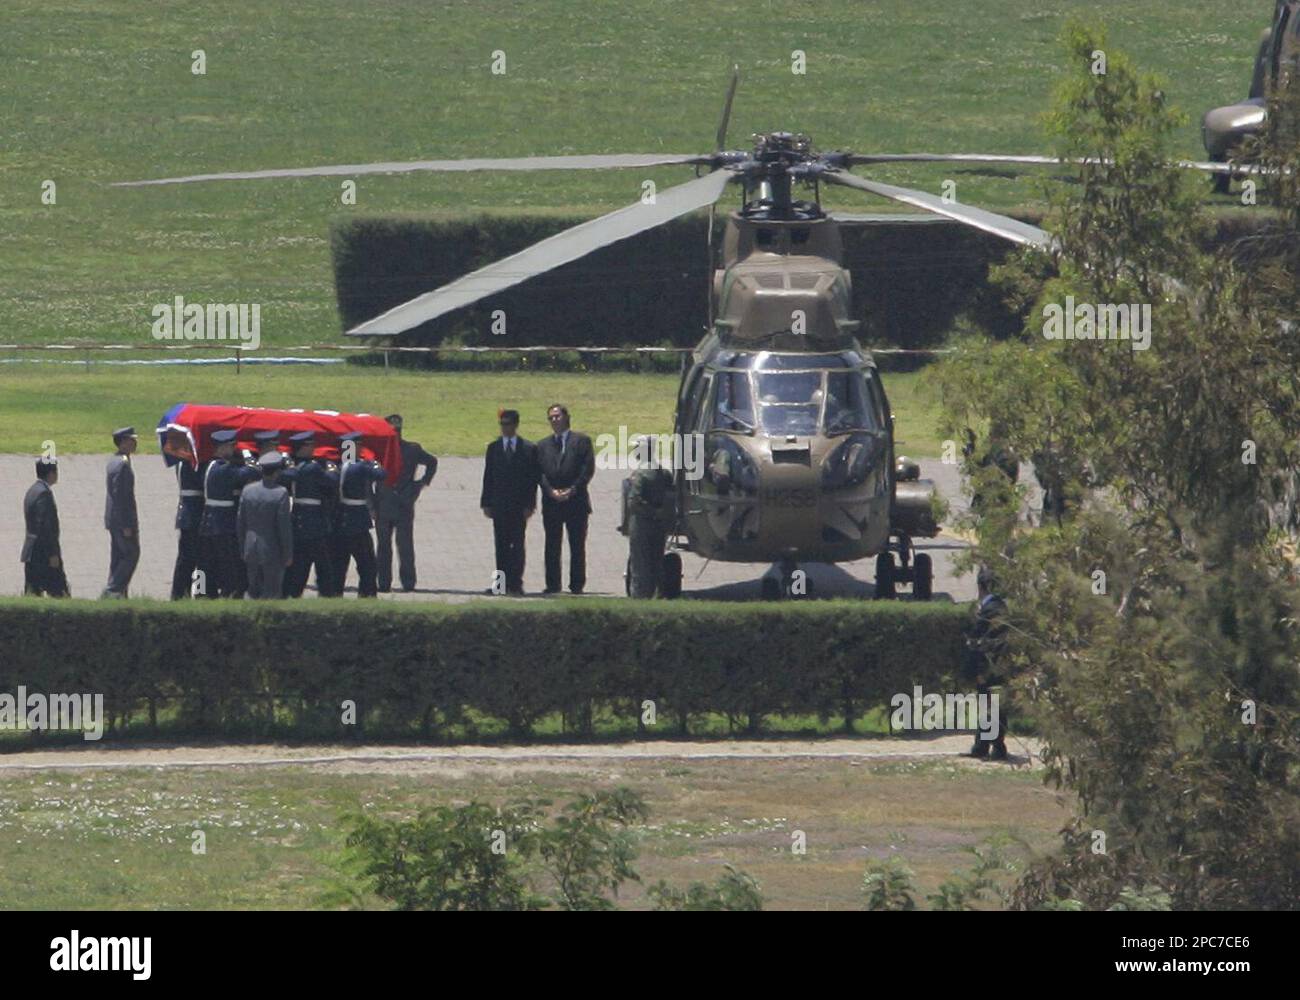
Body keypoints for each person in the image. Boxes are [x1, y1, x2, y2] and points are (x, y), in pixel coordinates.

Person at [374, 414, 438, 593]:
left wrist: (421, 483)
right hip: (383, 504)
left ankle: (408, 583)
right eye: (392, 431)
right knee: (383, 547)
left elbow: (432, 462)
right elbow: (367, 478)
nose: (395, 434)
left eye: (397, 431)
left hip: (404, 504)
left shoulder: (412, 449)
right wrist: (371, 504)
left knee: (405, 546)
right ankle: (383, 583)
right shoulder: (379, 451)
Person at [537, 404, 595, 595]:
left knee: (577, 545)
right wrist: (550, 491)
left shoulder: (582, 441)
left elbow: (587, 470)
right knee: (552, 545)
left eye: (557, 416)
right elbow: (540, 473)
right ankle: (553, 585)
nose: (554, 420)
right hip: (552, 502)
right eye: (551, 418)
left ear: (567, 417)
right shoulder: (543, 445)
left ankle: (576, 585)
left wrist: (572, 490)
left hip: (576, 502)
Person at [480, 409, 538, 595]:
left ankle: (516, 583)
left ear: (515, 425)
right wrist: (486, 502)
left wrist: (530, 505)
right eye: (502, 424)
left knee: (517, 545)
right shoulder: (494, 448)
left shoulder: (528, 449)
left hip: (519, 506)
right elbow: (488, 476)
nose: (504, 428)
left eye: (508, 424)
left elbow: (532, 480)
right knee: (501, 545)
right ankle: (501, 584)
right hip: (499, 505)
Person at [198, 429, 259, 597]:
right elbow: (253, 472)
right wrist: (247, 455)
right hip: (223, 524)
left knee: (205, 563)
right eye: (231, 447)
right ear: (222, 448)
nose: (233, 450)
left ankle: (201, 593)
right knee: (228, 562)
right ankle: (229, 592)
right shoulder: (224, 469)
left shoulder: (210, 466)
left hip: (208, 522)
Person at [282, 431, 340, 598]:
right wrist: (332, 467)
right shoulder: (313, 467)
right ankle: (326, 594)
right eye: (311, 445)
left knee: (299, 564)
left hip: (298, 519)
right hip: (314, 523)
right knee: (323, 564)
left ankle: (291, 593)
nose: (314, 447)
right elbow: (332, 481)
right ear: (304, 447)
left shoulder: (291, 465)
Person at [962, 565, 1010, 761]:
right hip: (999, 666)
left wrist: (977, 669)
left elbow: (984, 642)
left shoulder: (990, 610)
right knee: (990, 706)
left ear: (981, 587)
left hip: (990, 667)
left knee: (991, 706)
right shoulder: (1000, 607)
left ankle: (996, 747)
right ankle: (982, 745)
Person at [332, 431, 386, 597]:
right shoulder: (361, 467)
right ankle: (367, 596)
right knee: (367, 565)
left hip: (340, 521)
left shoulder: (337, 467)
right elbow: (381, 475)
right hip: (358, 523)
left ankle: (334, 596)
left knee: (339, 566)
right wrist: (375, 463)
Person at [237, 451, 294, 599]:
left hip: (250, 547)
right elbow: (284, 527)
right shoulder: (281, 493)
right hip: (272, 549)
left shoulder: (247, 490)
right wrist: (287, 553)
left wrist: (243, 547)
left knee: (253, 591)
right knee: (272, 592)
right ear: (277, 472)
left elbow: (241, 523)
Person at [21, 458, 69, 597]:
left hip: (32, 552)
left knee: (32, 593)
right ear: (51, 473)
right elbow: (45, 527)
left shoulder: (32, 491)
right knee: (59, 592)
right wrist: (52, 553)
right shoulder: (44, 494)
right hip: (43, 554)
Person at [101, 426, 139, 598]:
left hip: (114, 520)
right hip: (122, 521)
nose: (135, 442)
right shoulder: (122, 464)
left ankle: (119, 594)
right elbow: (122, 497)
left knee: (118, 558)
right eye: (132, 439)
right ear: (123, 442)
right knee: (131, 554)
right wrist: (126, 524)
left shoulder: (115, 460)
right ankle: (112, 591)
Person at [170, 454, 205, 599]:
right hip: (195, 515)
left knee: (186, 560)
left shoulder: (181, 462)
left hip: (187, 515)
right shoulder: (193, 464)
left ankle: (180, 593)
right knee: (197, 560)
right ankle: (197, 592)